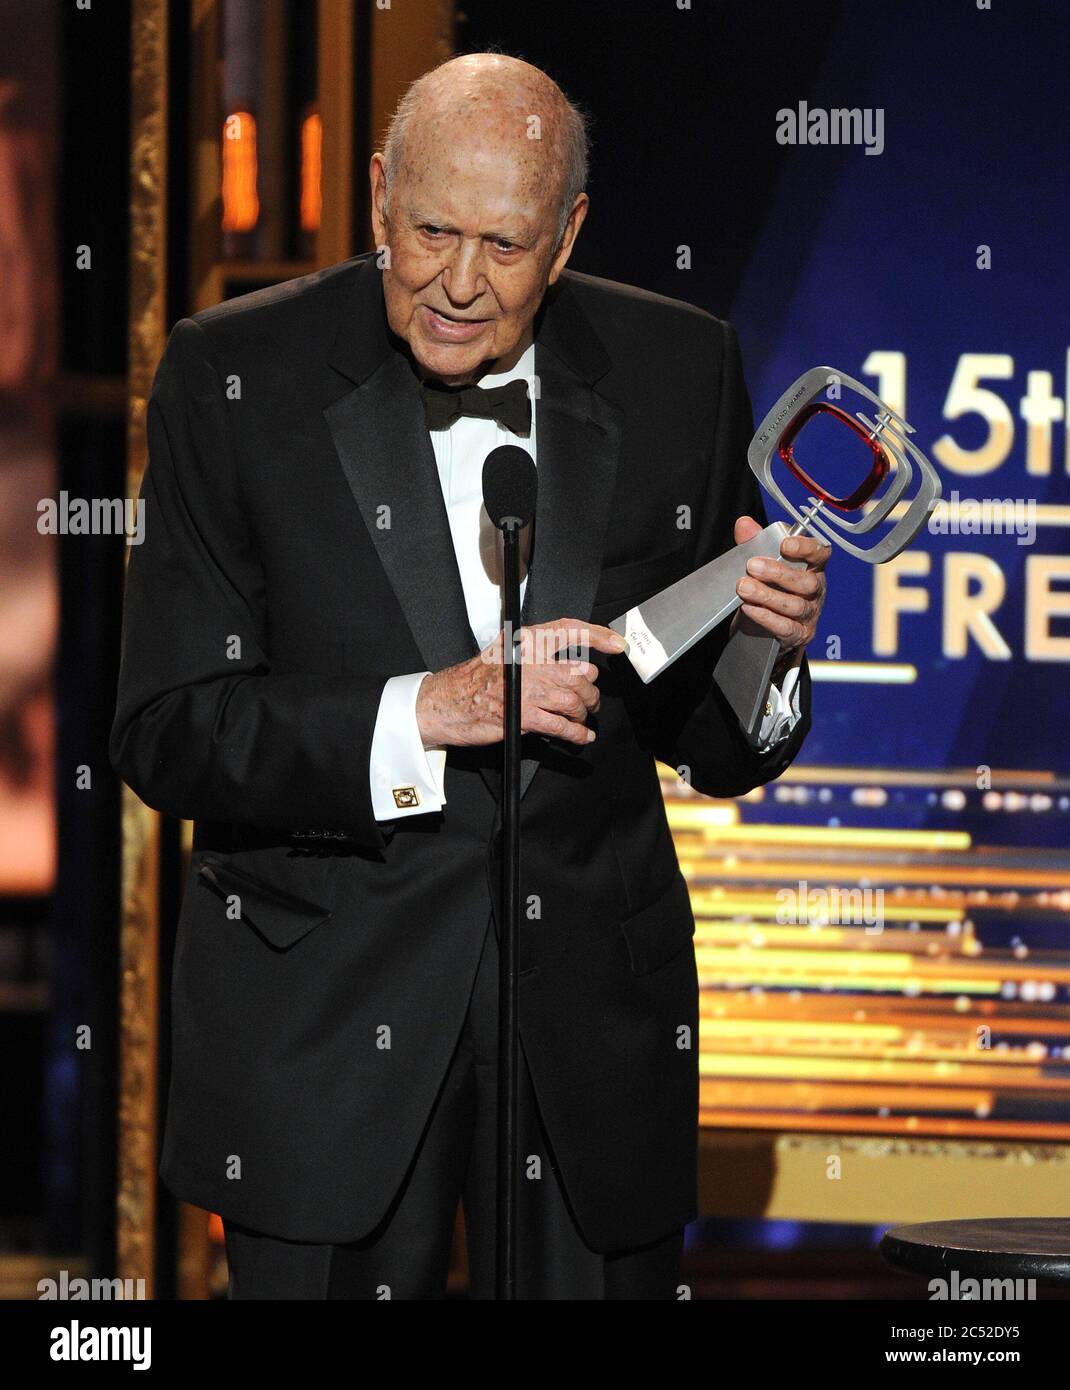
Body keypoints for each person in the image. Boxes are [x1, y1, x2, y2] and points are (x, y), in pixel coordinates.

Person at [110, 52, 828, 1299]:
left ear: (566, 239)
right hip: (325, 1026)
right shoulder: (233, 381)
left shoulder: (676, 368)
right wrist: (424, 713)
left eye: (503, 246)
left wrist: (766, 634)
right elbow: (171, 729)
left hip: (593, 1041)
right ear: (380, 195)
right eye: (431, 230)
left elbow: (710, 745)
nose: (455, 283)